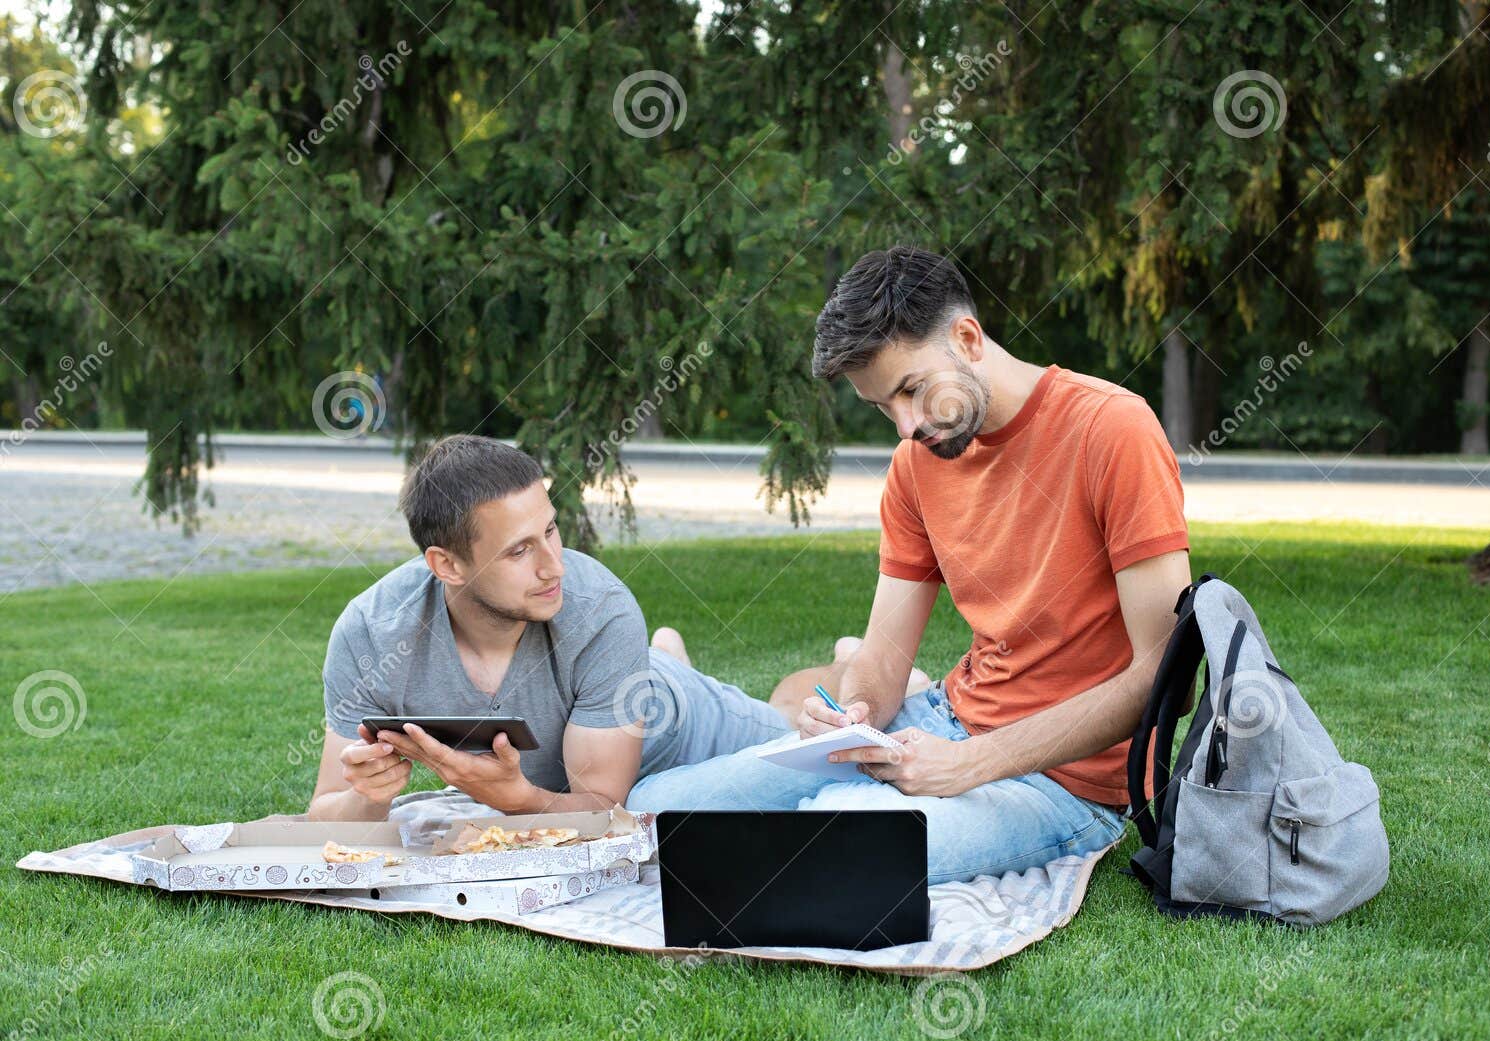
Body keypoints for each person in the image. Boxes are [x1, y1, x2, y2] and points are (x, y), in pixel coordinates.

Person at [628, 246, 1193, 883]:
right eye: (882, 407)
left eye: (913, 390)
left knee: (830, 849)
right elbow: (884, 656)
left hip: (1065, 781)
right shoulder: (917, 467)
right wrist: (855, 712)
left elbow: (1161, 676)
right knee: (655, 813)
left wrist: (971, 764)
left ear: (968, 338)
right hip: (936, 727)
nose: (905, 427)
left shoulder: (1112, 430)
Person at [307, 434, 920, 820]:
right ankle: (666, 655)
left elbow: (603, 809)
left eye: (550, 529)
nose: (554, 566)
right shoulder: (371, 633)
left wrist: (517, 800)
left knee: (812, 740)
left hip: (674, 725)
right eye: (519, 551)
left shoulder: (597, 607)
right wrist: (370, 795)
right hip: (619, 697)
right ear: (446, 564)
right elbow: (325, 812)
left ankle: (856, 663)